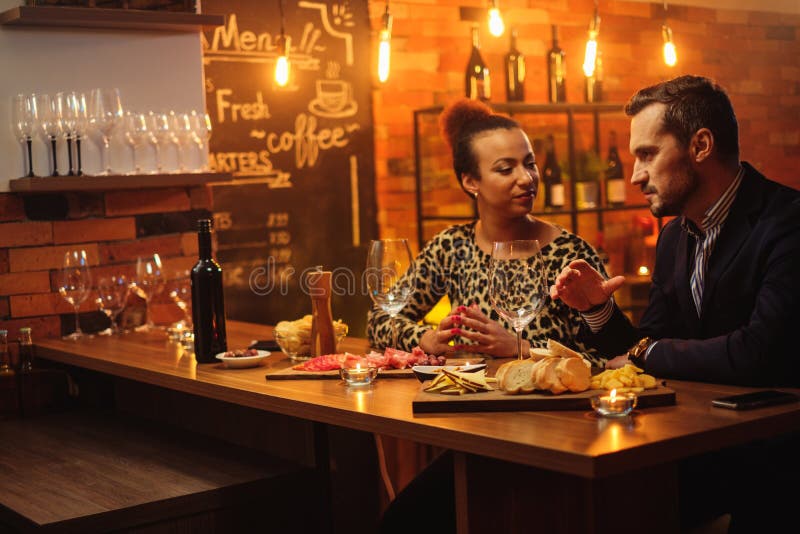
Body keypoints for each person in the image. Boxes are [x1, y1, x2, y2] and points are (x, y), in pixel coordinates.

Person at [550, 74, 800, 532]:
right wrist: (597, 311)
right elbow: (648, 346)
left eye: (647, 154)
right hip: (695, 443)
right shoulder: (672, 237)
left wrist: (647, 352)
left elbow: (759, 352)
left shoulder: (788, 221)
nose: (635, 176)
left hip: (778, 454)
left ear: (700, 145)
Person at [367, 98, 609, 364]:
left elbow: (608, 357)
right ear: (470, 181)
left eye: (530, 164)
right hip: (471, 398)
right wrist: (425, 339)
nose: (526, 178)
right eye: (506, 169)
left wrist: (521, 347)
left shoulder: (570, 254)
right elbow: (380, 319)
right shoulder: (452, 247)